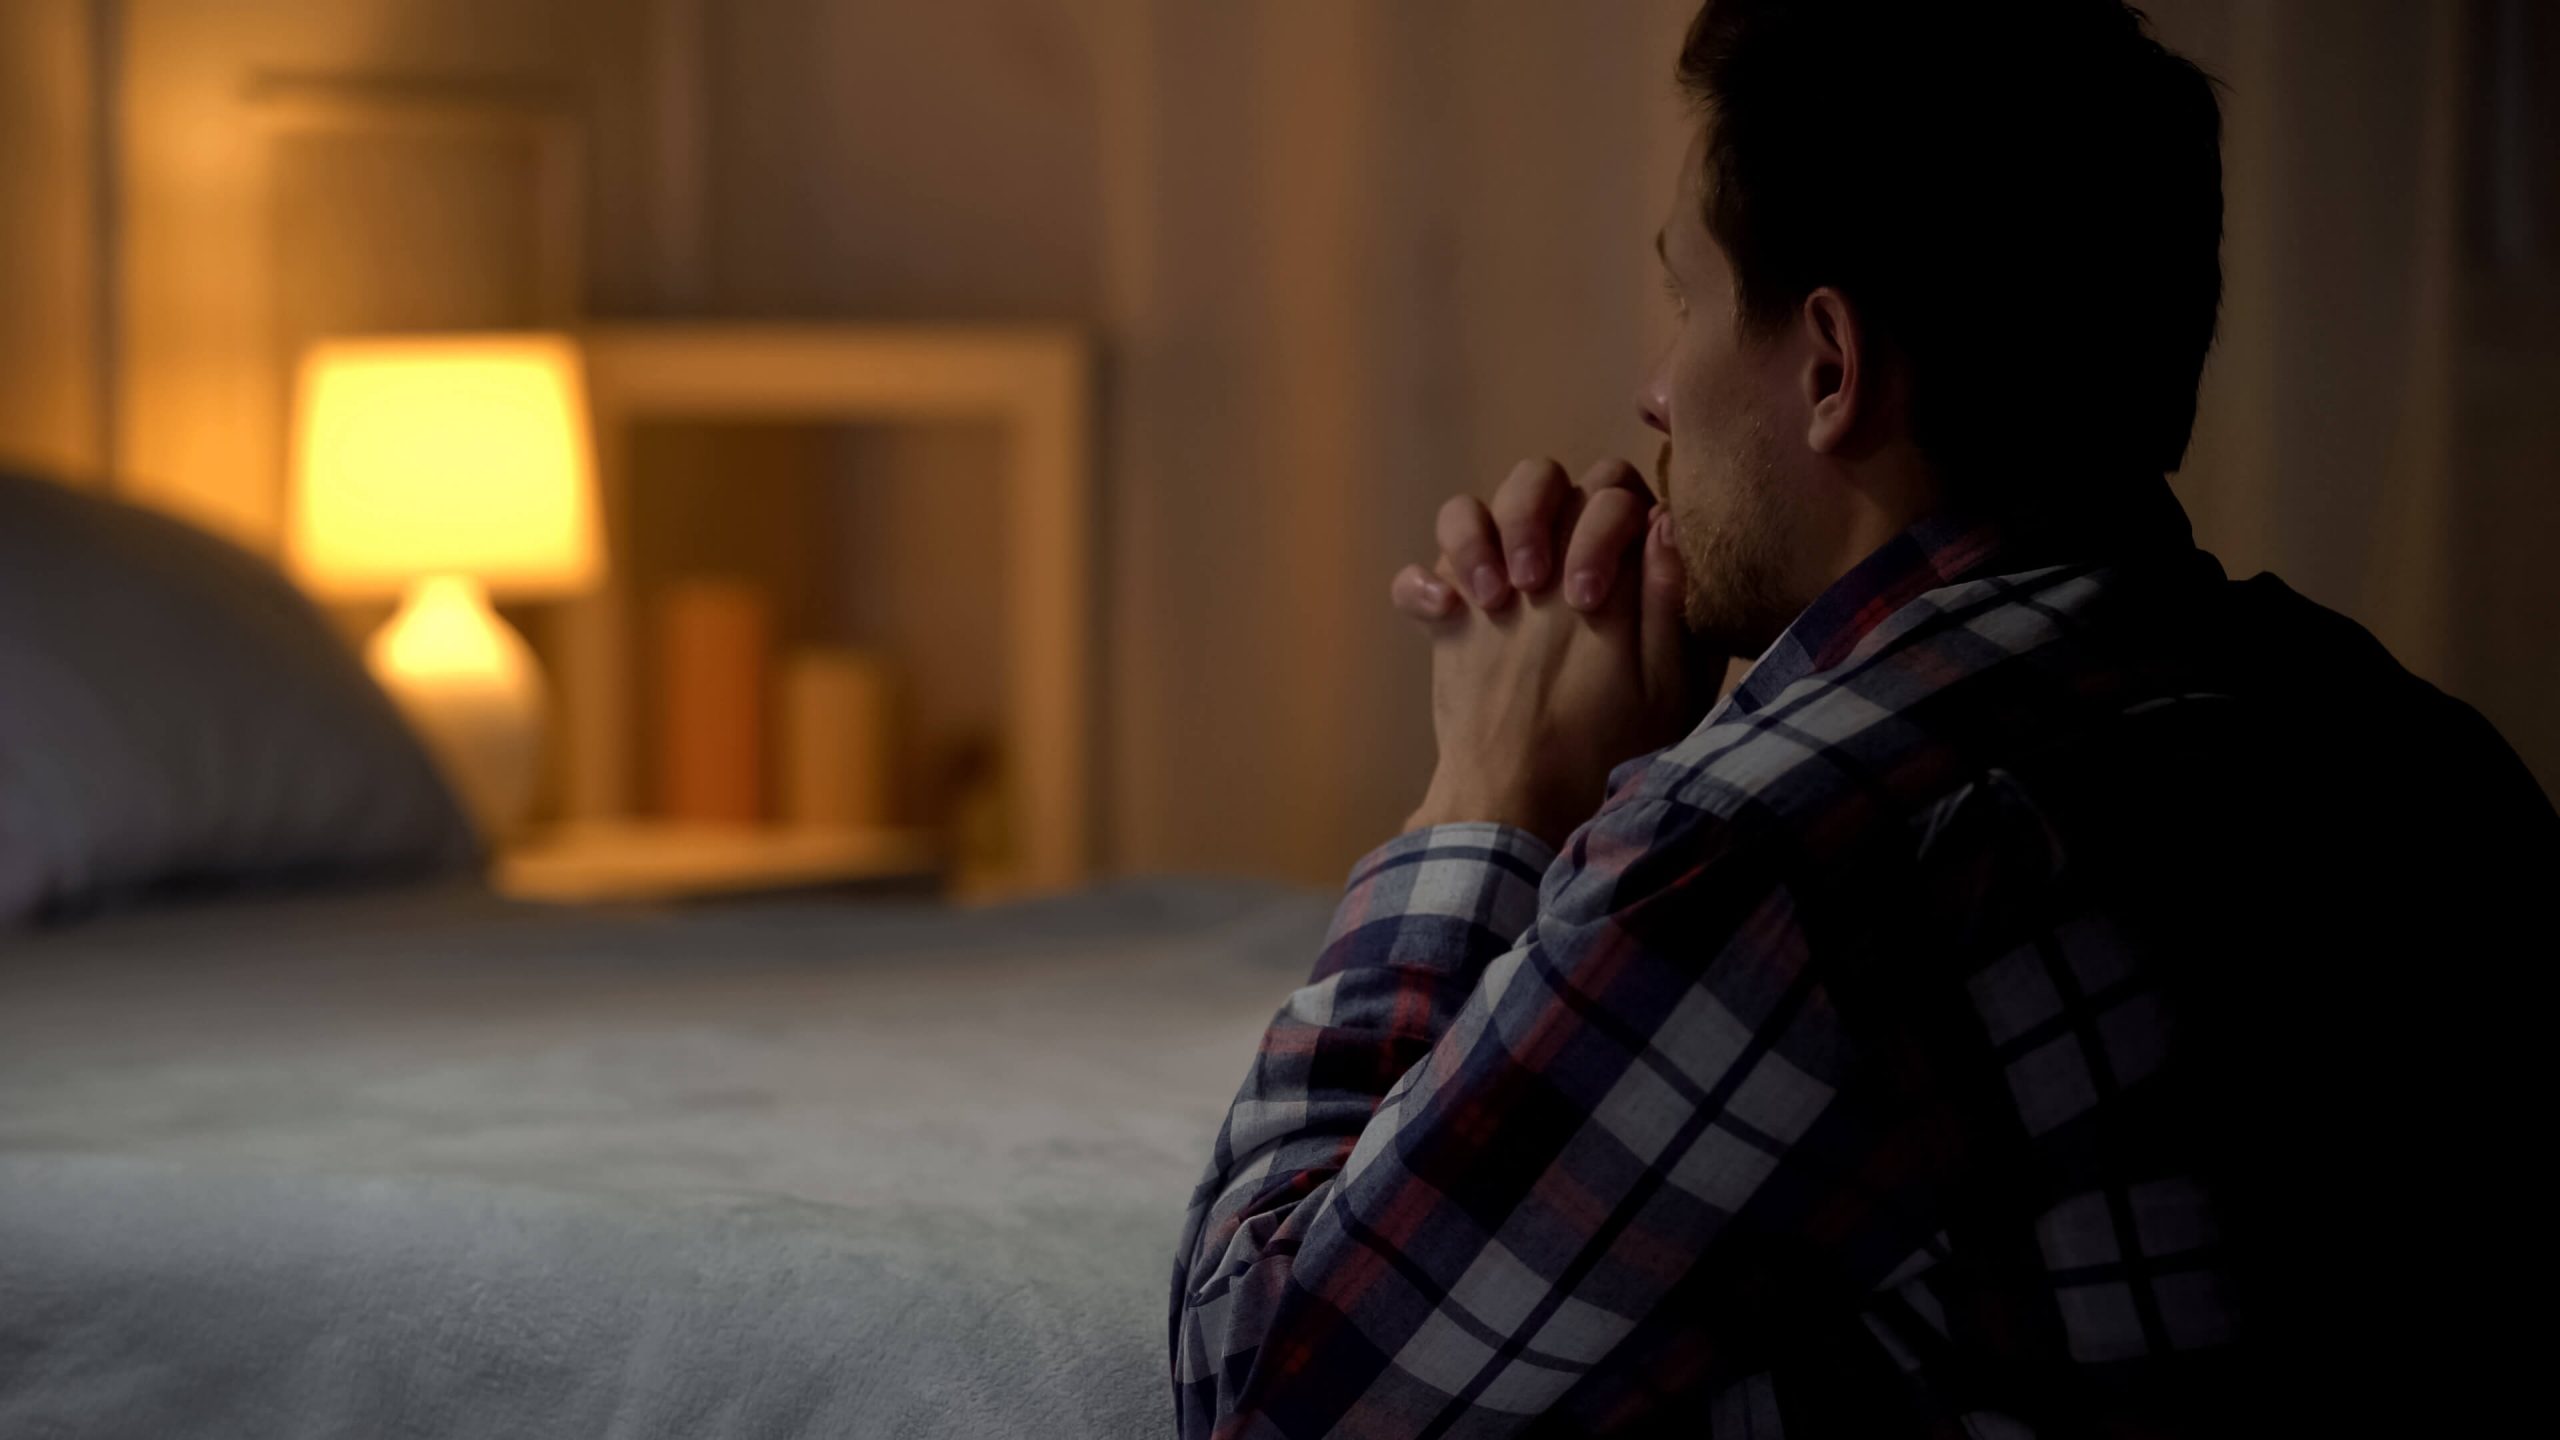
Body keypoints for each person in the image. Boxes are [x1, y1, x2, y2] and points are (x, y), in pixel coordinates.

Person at [1169, 1, 2560, 1435]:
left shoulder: (1788, 854)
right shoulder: (2421, 746)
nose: (1656, 390)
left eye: (1688, 298)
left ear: (1830, 365)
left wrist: (1485, 790)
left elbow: (1267, 1387)